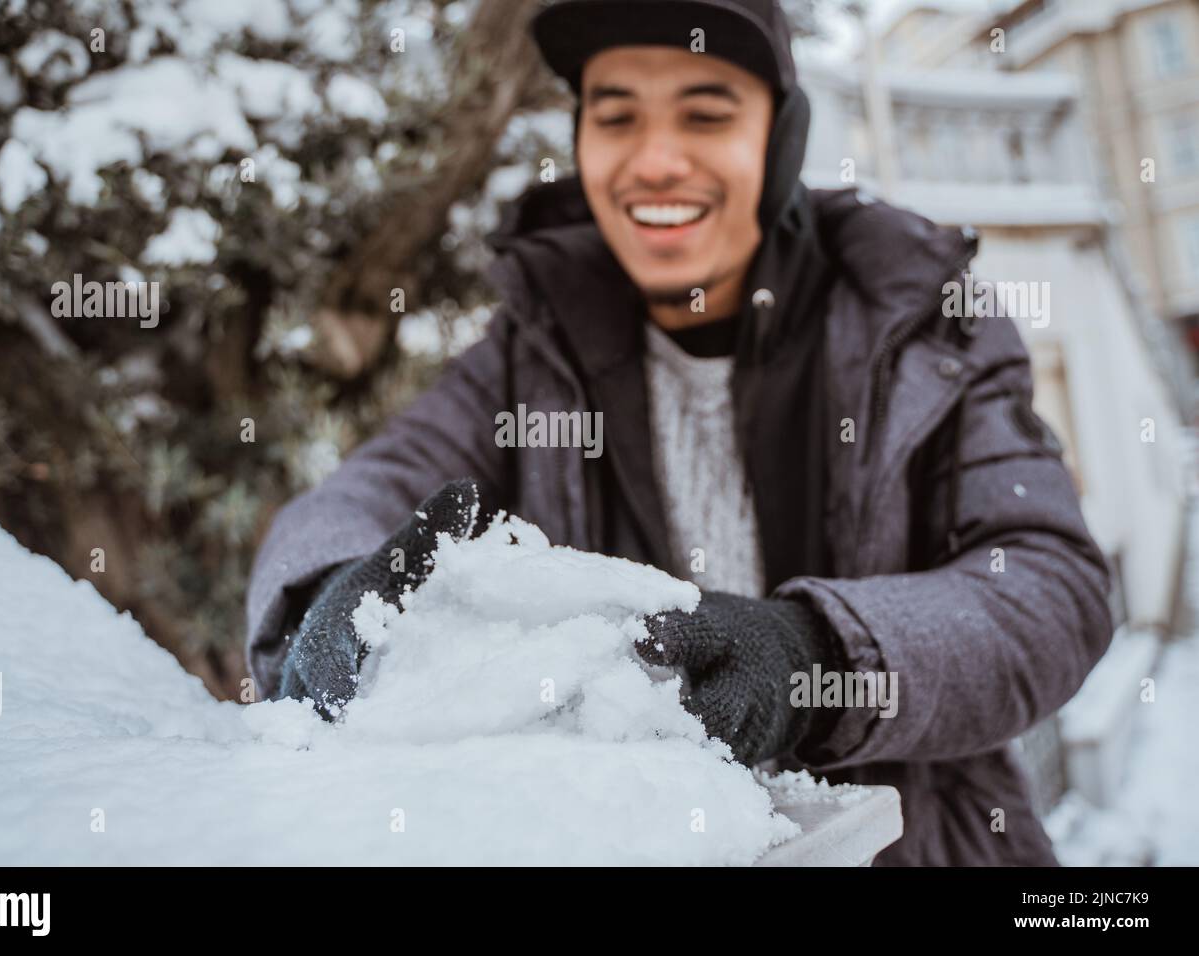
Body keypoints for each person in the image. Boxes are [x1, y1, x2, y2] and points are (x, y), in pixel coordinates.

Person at [246, 0, 1112, 866]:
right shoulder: (532, 346)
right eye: (616, 115)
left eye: (706, 113)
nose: (655, 162)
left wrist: (818, 654)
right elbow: (366, 491)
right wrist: (321, 591)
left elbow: (1048, 582)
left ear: (781, 137)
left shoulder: (921, 318)